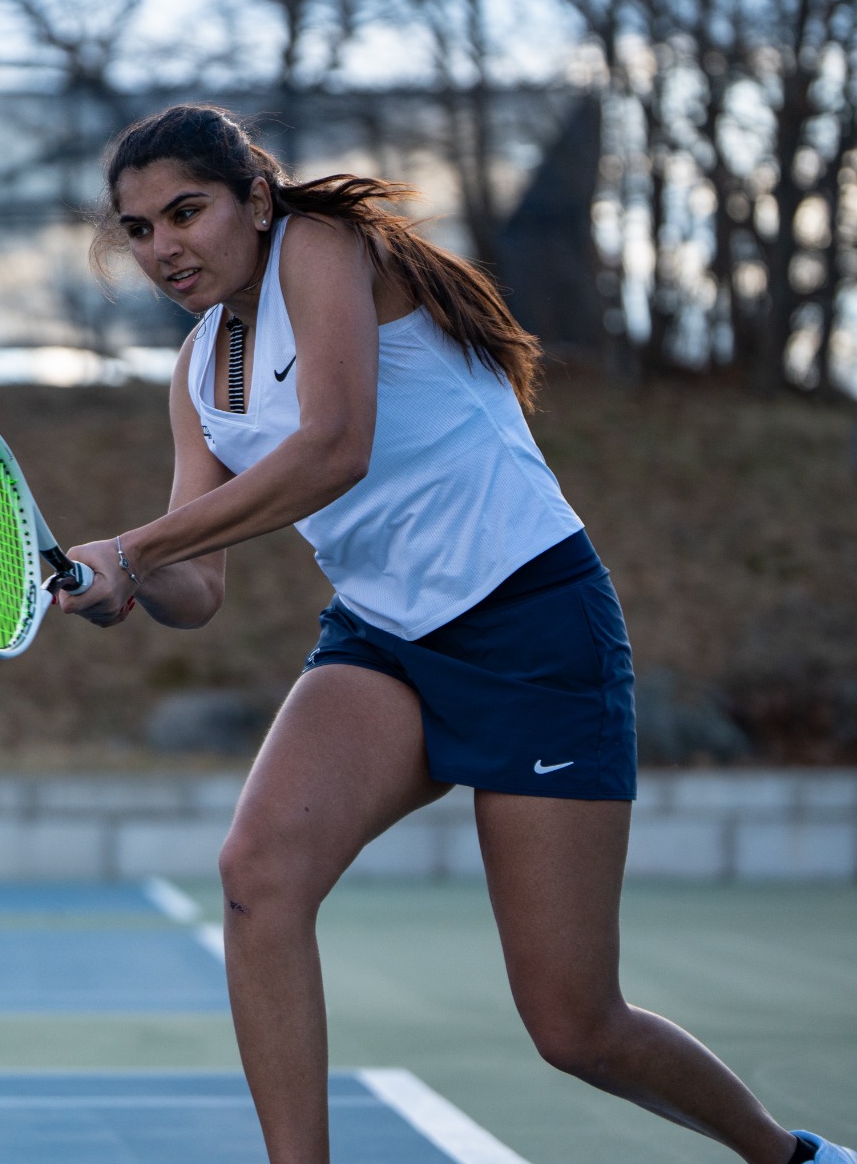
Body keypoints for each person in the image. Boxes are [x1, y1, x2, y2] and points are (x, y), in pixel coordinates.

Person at [56, 104, 848, 1164]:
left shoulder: (324, 247)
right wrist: (124, 584)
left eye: (184, 212)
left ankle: (784, 1155)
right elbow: (198, 586)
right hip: (382, 641)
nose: (162, 247)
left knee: (574, 1027)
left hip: (529, 620)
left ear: (253, 199)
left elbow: (335, 446)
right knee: (257, 872)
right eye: (139, 229)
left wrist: (135, 547)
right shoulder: (198, 372)